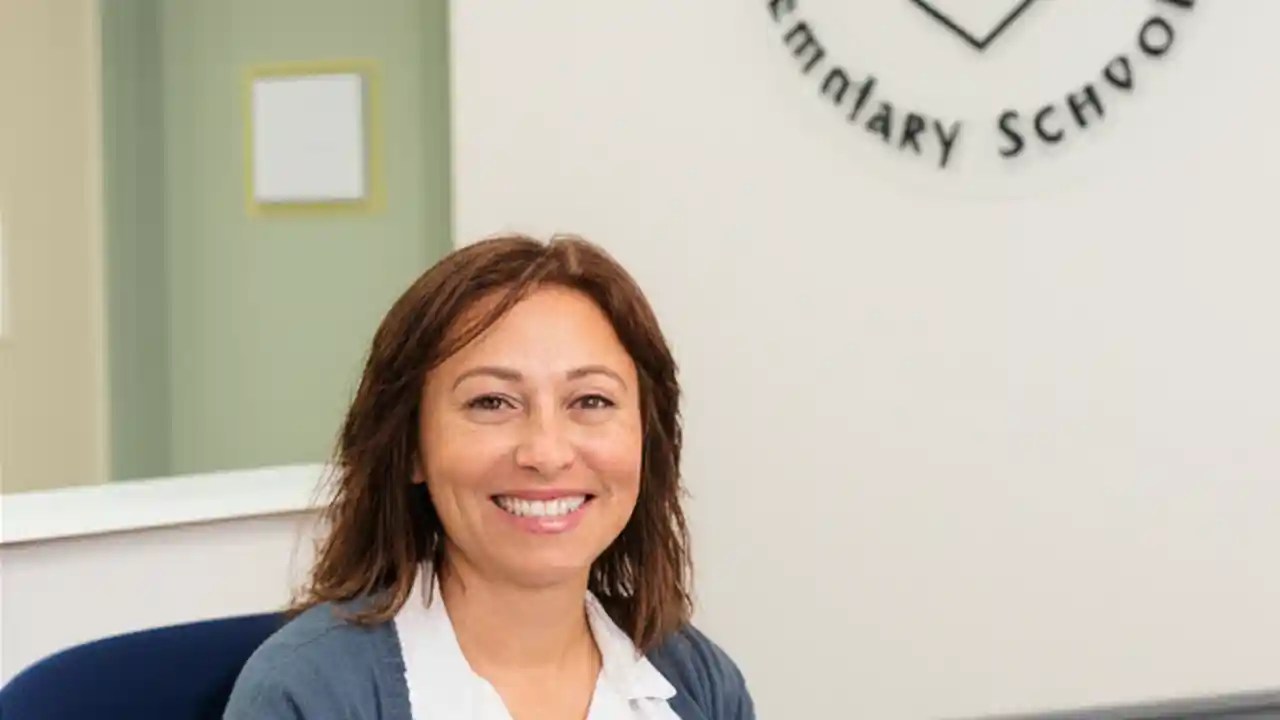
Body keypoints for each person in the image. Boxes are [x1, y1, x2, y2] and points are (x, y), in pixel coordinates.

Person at [224, 234, 755, 719]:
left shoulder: (698, 682)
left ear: (646, 439)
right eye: (492, 402)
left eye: (591, 400)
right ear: (411, 446)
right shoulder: (309, 694)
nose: (546, 453)